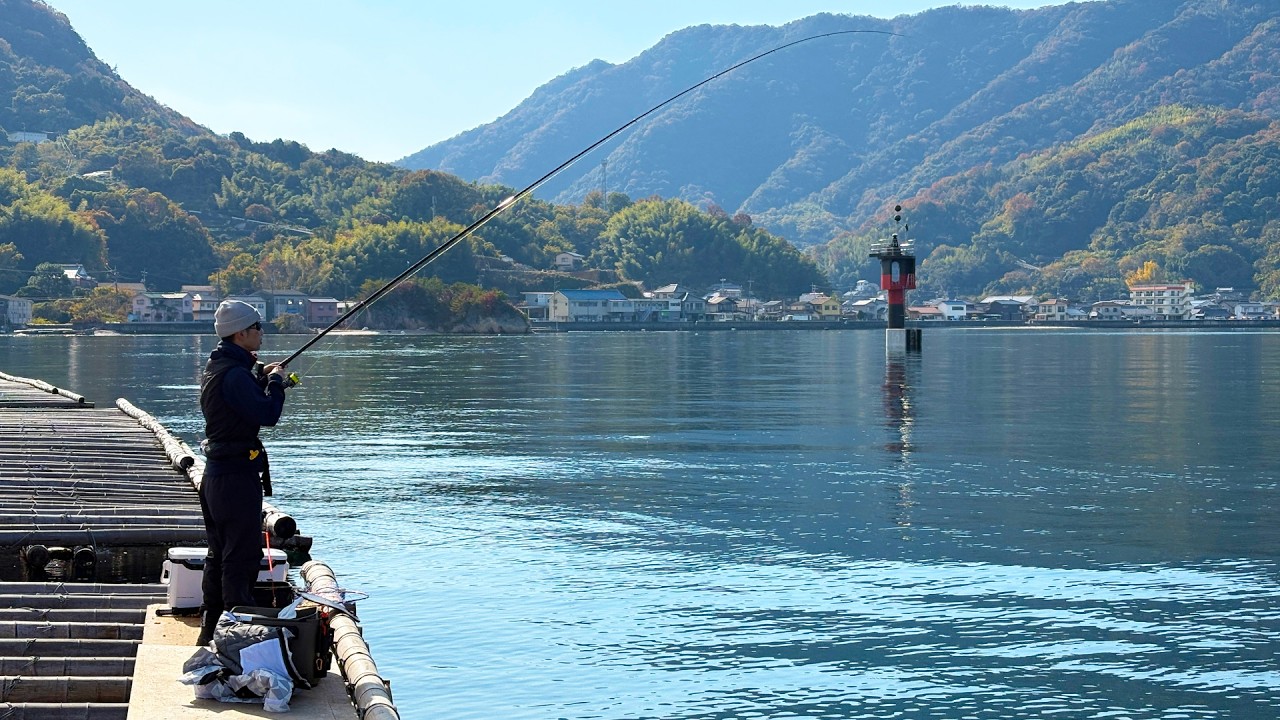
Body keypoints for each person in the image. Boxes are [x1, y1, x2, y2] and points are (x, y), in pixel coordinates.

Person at [196, 300, 289, 645]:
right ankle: (234, 634)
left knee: (220, 553)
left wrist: (262, 375)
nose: (262, 333)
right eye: (257, 327)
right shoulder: (234, 375)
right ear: (241, 333)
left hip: (219, 475)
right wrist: (276, 383)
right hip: (235, 477)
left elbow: (242, 395)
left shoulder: (219, 365)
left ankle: (211, 629)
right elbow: (267, 414)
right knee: (241, 556)